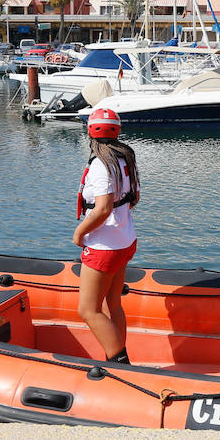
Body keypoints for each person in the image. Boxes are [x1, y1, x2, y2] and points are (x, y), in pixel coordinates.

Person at [73, 107, 140, 364]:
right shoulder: (125, 159)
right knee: (113, 304)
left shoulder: (101, 164)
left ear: (90, 130)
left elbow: (102, 208)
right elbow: (134, 198)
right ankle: (116, 354)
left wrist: (80, 232)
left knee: (88, 310)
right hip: (125, 239)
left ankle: (120, 363)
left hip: (104, 246)